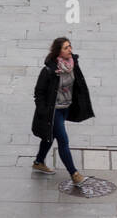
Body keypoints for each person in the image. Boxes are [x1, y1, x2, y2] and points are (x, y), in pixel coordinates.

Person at [31, 37, 94, 184]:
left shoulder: (73, 65)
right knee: (63, 140)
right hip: (54, 112)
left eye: (70, 46)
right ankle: (74, 174)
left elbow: (78, 84)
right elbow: (38, 93)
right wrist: (43, 111)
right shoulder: (49, 71)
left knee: (50, 136)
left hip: (66, 107)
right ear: (58, 51)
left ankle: (39, 161)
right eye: (66, 48)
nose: (70, 50)